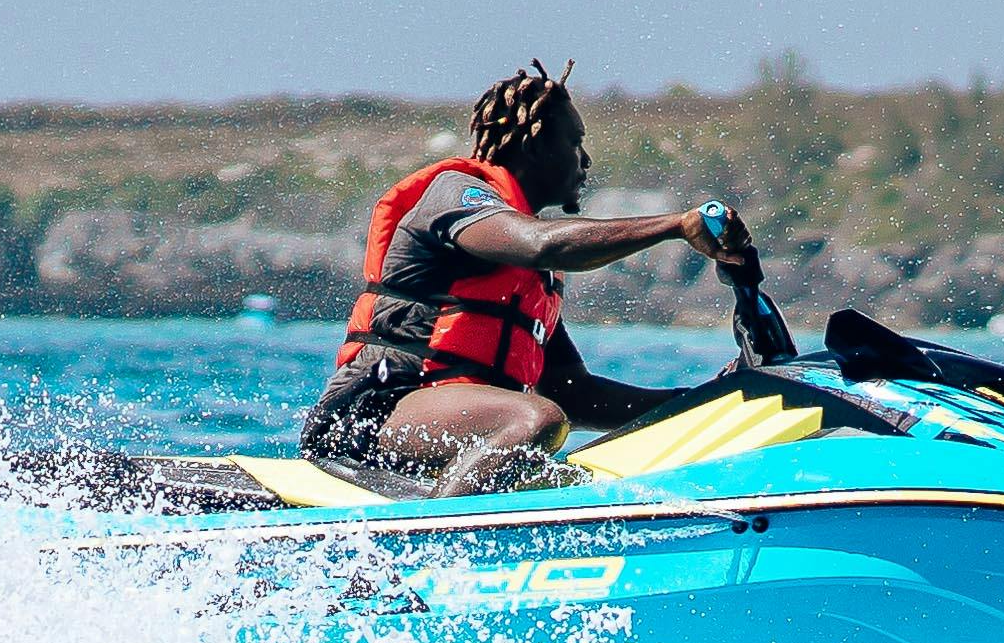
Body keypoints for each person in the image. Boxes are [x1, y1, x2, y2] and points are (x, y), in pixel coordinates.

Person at [303, 61, 758, 485]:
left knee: (549, 428)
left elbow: (574, 393)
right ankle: (425, 547)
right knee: (536, 421)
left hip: (450, 424)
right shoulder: (458, 196)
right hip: (370, 417)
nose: (585, 161)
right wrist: (675, 225)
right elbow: (542, 243)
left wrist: (697, 401)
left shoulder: (532, 278)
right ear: (536, 144)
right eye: (574, 143)